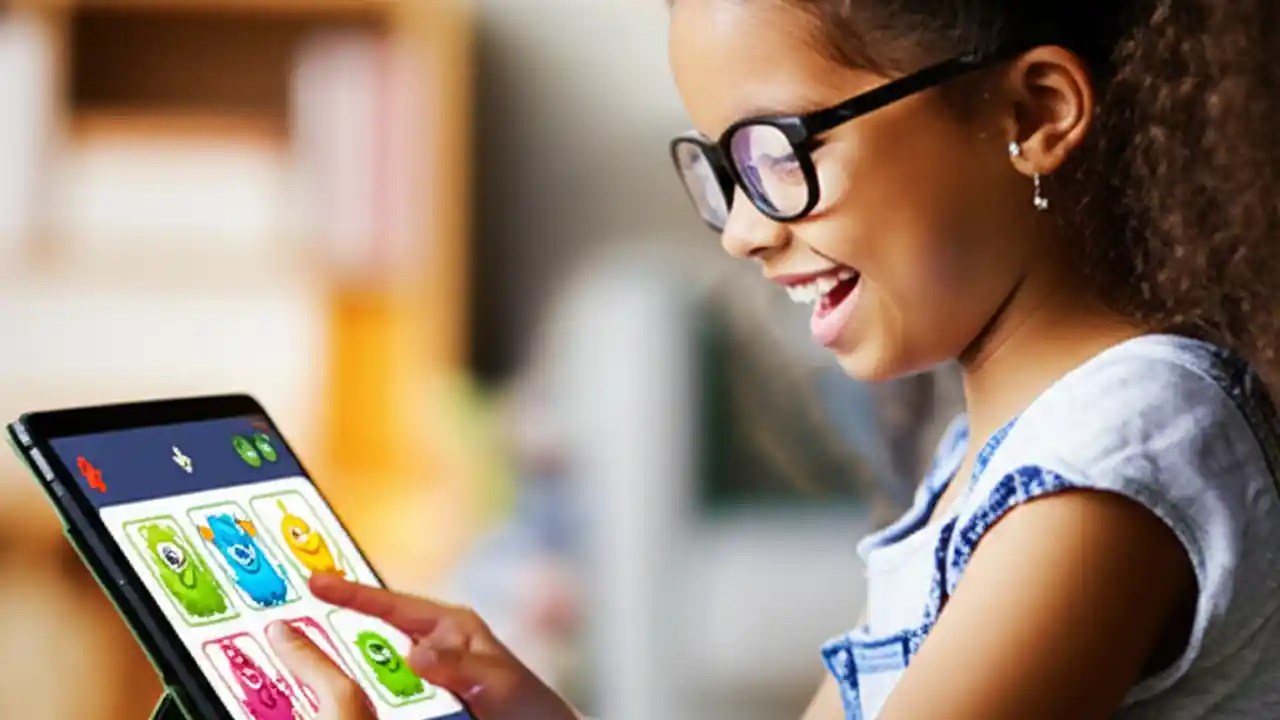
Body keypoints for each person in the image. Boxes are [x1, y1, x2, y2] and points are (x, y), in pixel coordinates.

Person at [270, 1, 1280, 718]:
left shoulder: (1120, 455)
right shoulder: (1004, 451)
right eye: (721, 172)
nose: (741, 233)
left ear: (1033, 115)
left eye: (776, 154)